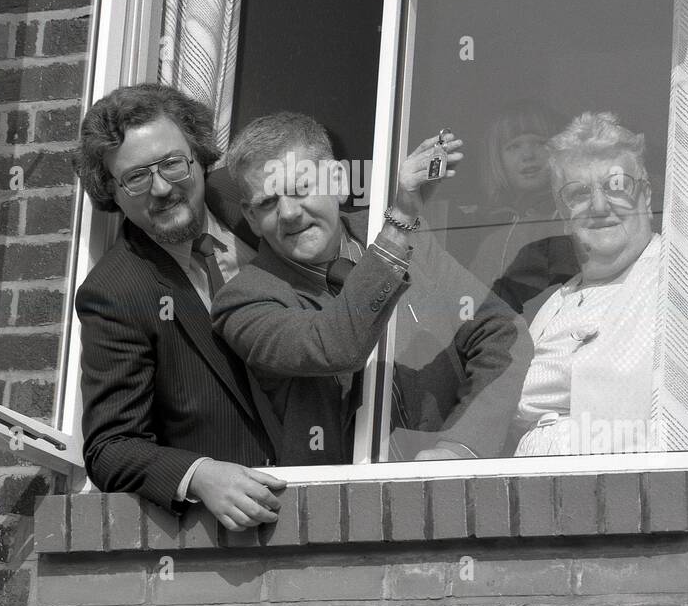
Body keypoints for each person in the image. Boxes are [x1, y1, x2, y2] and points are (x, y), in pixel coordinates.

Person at [212, 113, 531, 466]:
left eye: (301, 188)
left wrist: (465, 443)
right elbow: (335, 347)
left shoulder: (404, 237)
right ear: (252, 217)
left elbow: (503, 333)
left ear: (337, 180)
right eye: (267, 203)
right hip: (344, 505)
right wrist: (401, 221)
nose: (288, 213)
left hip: (451, 485)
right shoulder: (242, 300)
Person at [72, 84, 286, 531]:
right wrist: (202, 475)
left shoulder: (258, 195)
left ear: (199, 156)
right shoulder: (115, 293)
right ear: (111, 191)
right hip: (248, 528)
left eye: (172, 163)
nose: (162, 188)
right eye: (136, 177)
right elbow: (111, 447)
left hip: (348, 462)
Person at [512, 112, 665, 457]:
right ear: (563, 213)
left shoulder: (674, 281)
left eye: (616, 186)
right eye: (579, 193)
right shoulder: (548, 303)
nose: (598, 205)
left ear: (647, 196)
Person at [457, 101, 578, 317]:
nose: (528, 155)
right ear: (497, 159)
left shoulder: (571, 220)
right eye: (514, 146)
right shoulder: (486, 233)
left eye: (540, 143)